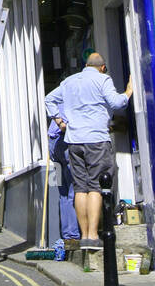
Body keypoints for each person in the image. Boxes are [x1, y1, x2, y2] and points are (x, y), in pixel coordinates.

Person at [44, 52, 132, 249]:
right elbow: (117, 103)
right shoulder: (103, 79)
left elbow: (49, 99)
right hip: (96, 140)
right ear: (102, 67)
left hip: (74, 141)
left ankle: (84, 237)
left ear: (86, 65)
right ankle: (93, 236)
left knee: (80, 188)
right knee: (95, 187)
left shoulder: (69, 81)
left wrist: (59, 121)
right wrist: (128, 91)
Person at [48, 116, 80, 248]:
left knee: (64, 193)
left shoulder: (57, 98)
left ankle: (67, 234)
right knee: (73, 190)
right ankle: (73, 235)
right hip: (65, 141)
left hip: (53, 144)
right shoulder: (71, 97)